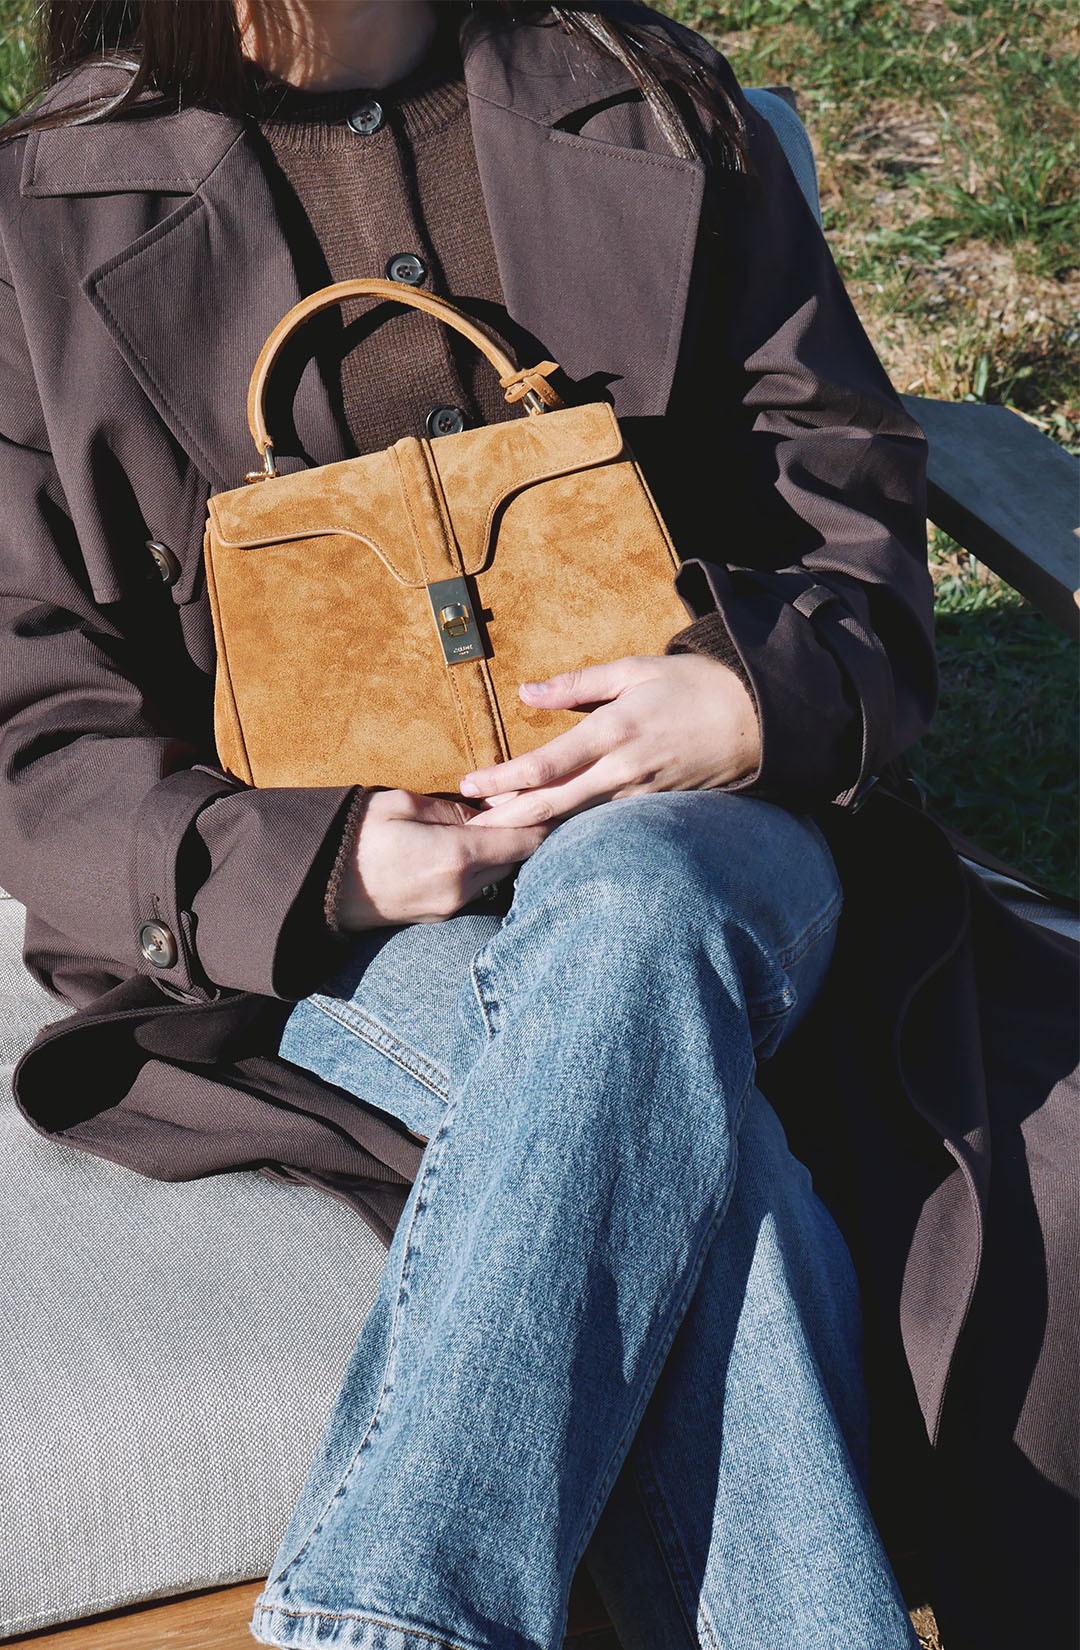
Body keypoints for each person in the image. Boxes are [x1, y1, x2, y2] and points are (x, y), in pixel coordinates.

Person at [0, 5, 1073, 1650]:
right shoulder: (41, 213)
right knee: (720, 1198)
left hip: (705, 837)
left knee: (635, 892)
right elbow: (39, 719)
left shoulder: (641, 102)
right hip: (339, 919)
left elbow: (848, 493)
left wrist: (741, 698)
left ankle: (399, 1604)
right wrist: (336, 861)